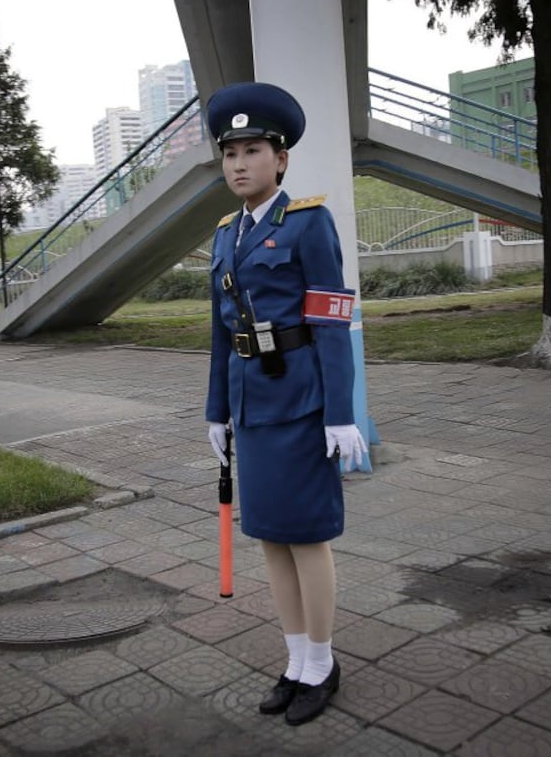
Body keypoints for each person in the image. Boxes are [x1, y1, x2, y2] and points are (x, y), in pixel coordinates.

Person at [203, 81, 367, 727]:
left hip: (300, 404)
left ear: (281, 159)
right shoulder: (223, 237)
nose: (239, 163)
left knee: (307, 539)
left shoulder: (307, 223)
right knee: (269, 537)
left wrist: (341, 412)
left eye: (252, 149)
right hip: (251, 406)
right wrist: (216, 410)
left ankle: (323, 663)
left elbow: (330, 319)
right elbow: (220, 332)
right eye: (230, 152)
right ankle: (295, 659)